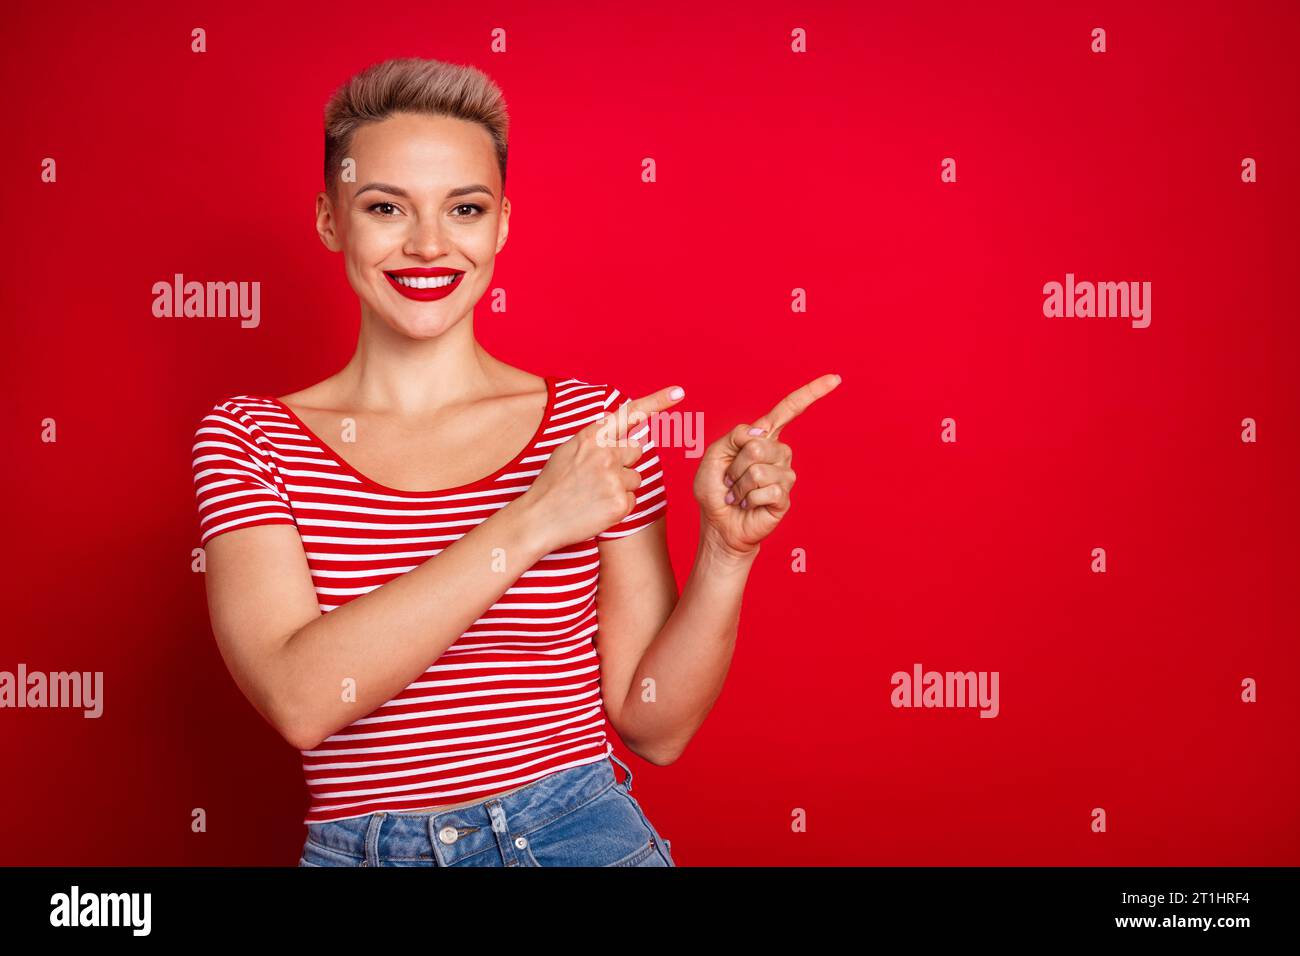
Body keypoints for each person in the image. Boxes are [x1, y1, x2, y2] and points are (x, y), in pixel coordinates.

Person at [190, 56, 840, 867]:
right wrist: (535, 519)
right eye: (385, 206)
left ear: (500, 224)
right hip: (362, 850)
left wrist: (726, 553)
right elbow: (301, 700)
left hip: (578, 837)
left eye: (464, 208)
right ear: (330, 220)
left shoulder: (590, 426)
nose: (428, 243)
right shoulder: (249, 438)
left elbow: (655, 727)